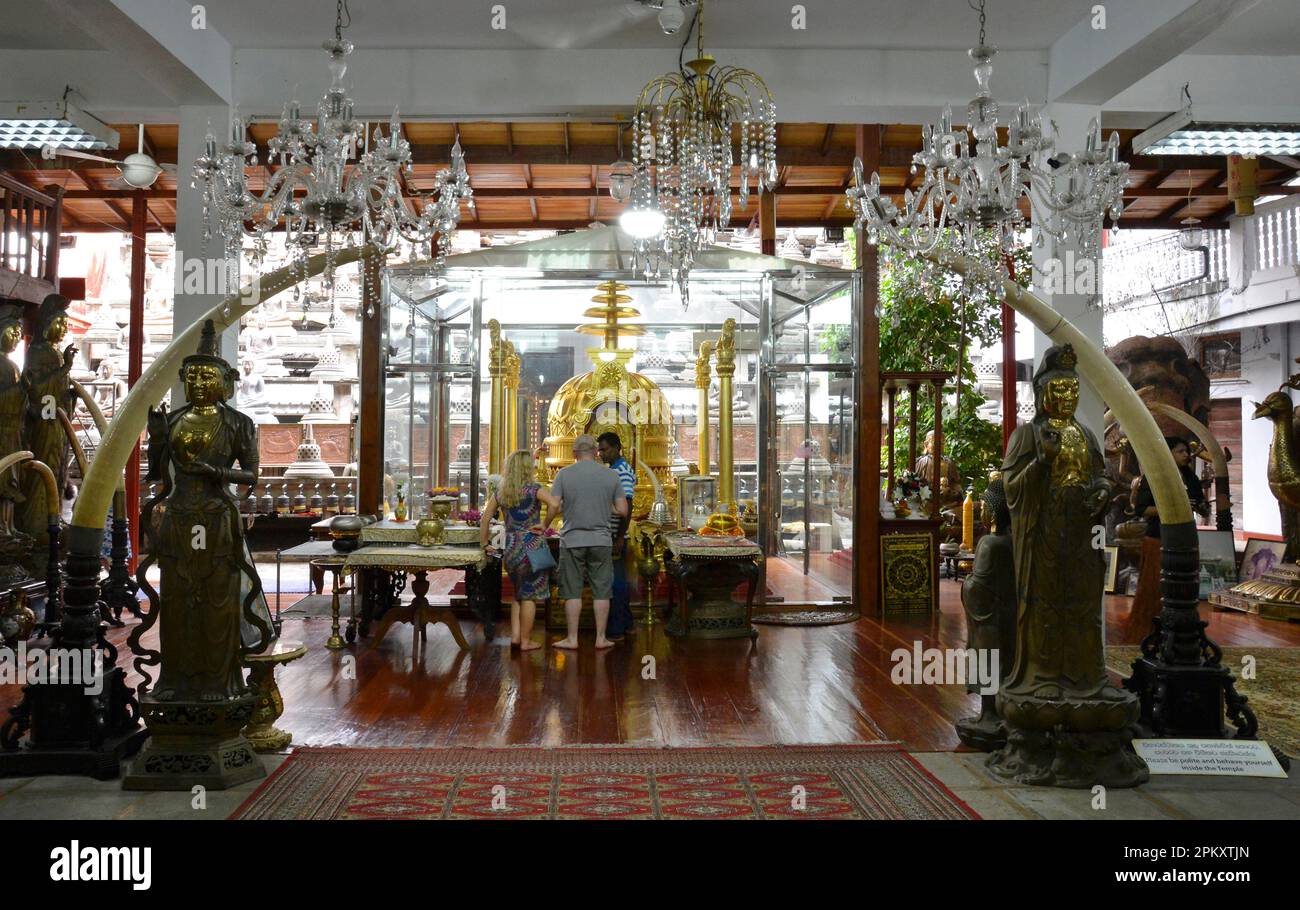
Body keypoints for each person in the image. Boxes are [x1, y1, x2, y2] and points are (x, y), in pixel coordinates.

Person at [546, 434, 627, 649]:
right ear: (595, 452)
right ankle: (601, 638)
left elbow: (554, 506)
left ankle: (572, 638)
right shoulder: (611, 475)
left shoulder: (564, 474)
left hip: (572, 540)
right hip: (601, 540)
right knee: (602, 589)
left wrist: (548, 520)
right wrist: (603, 507)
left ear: (574, 453)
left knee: (572, 589)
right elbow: (623, 510)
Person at [1126, 436, 1212, 638]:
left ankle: (1181, 633)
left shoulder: (1190, 477)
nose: (1186, 455)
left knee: (1183, 588)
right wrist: (1174, 507)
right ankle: (1150, 631)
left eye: (1186, 451)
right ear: (1169, 453)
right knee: (1155, 587)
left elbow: (1204, 508)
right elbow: (1141, 509)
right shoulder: (1155, 476)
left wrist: (1201, 507)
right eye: (1180, 451)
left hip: (1185, 538)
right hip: (1158, 537)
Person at [480, 449, 559, 652]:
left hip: (512, 545)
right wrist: (545, 524)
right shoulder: (534, 489)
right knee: (530, 595)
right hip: (531, 545)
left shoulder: (501, 492)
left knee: (518, 594)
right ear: (527, 468)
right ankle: (525, 640)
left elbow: (486, 518)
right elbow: (555, 504)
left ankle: (515, 637)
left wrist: (484, 544)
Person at [597, 431, 636, 641]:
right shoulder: (613, 470)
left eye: (605, 449)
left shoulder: (621, 471)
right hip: (612, 534)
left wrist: (620, 537)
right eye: (599, 450)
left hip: (615, 536)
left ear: (616, 447)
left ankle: (617, 627)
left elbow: (627, 505)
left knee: (615, 583)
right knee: (616, 580)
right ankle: (627, 623)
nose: (601, 454)